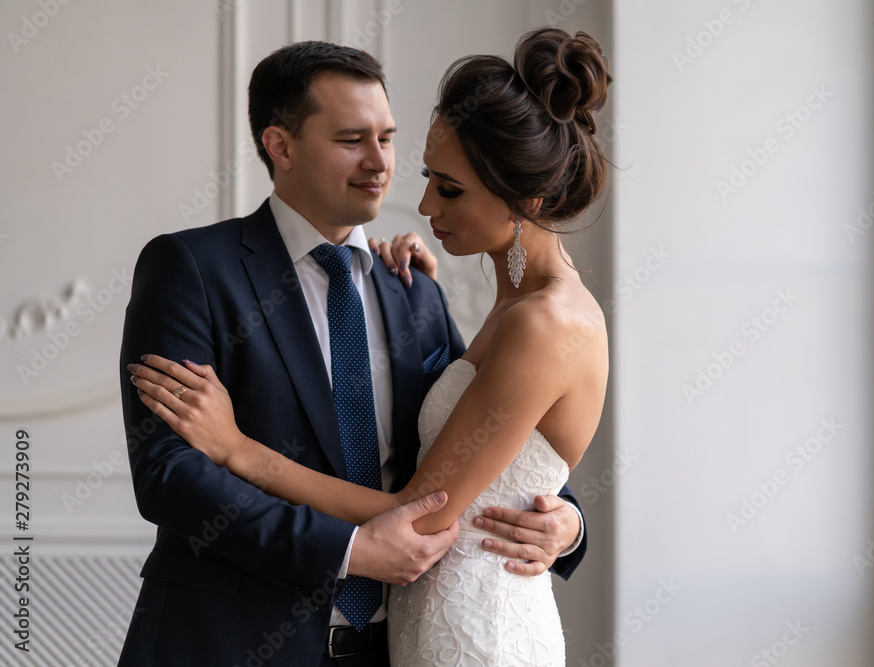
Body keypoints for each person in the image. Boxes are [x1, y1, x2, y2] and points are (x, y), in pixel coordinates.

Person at [118, 38, 588, 666]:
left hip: (394, 649)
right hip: (231, 643)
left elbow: (481, 450)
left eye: (387, 138)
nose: (379, 163)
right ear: (280, 146)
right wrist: (348, 550)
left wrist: (567, 526)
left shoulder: (413, 288)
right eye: (351, 140)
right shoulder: (192, 269)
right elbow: (169, 476)